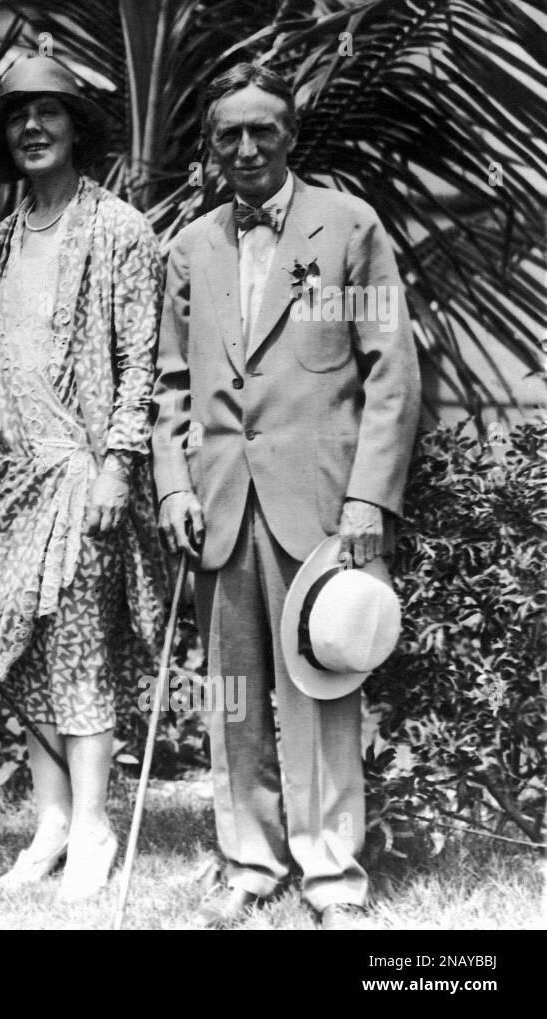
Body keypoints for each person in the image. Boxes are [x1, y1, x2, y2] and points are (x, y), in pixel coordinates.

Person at [152, 62, 421, 929]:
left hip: (322, 503)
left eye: (263, 128)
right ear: (211, 144)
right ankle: (251, 861)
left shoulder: (349, 227)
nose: (246, 146)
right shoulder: (190, 246)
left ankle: (333, 874)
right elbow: (168, 389)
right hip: (220, 504)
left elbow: (393, 374)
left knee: (323, 683)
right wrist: (171, 483)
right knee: (231, 696)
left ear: (291, 135)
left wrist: (369, 499)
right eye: (228, 132)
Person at [0, 56, 166, 902]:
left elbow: (140, 362)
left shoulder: (120, 230)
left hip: (81, 477)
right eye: (16, 117)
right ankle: (52, 821)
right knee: (26, 656)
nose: (32, 128)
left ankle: (97, 824)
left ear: (78, 127)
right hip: (9, 480)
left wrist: (118, 465)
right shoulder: (3, 239)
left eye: (50, 113)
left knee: (80, 653)